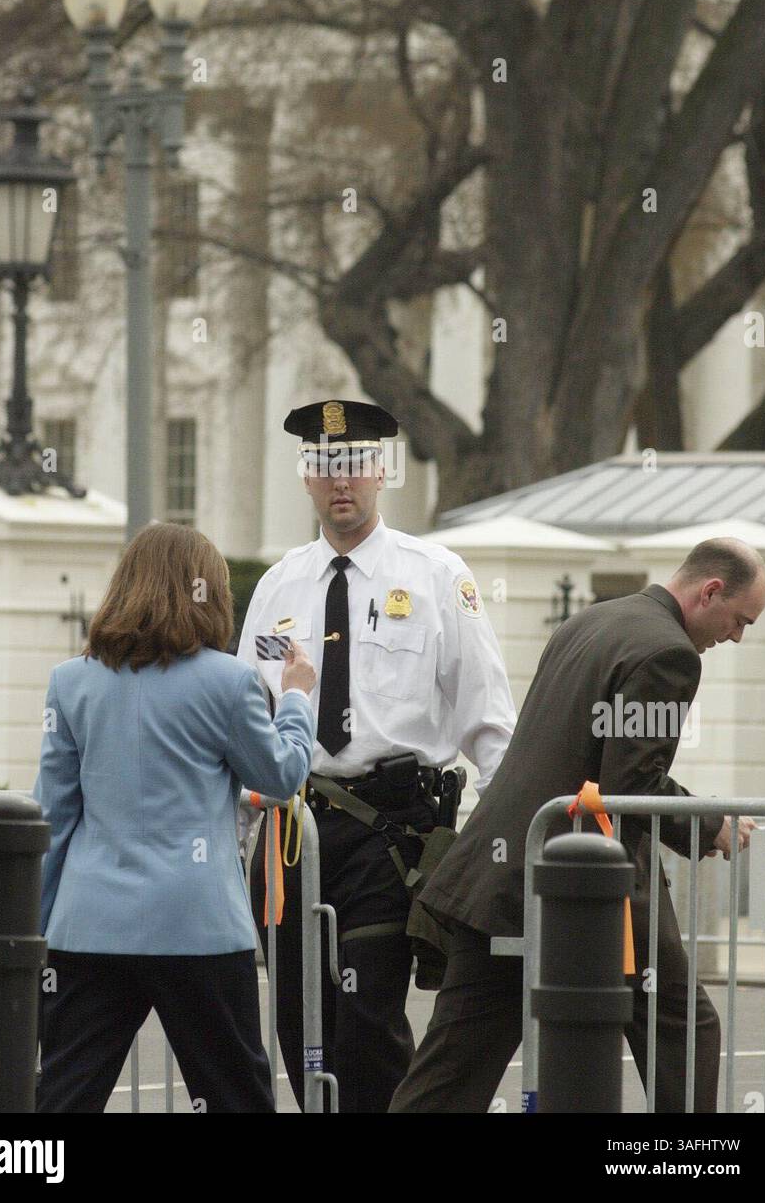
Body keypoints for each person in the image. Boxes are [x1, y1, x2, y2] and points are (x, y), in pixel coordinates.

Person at [389, 537, 765, 1114]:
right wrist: (707, 823)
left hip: (501, 879)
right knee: (682, 1028)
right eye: (739, 620)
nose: (737, 637)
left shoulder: (591, 621)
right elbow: (630, 787)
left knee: (448, 1073)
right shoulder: (669, 653)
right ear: (710, 591)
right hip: (579, 888)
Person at [237, 399, 516, 1113]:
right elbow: (247, 709)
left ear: (383, 471)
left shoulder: (433, 577)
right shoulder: (279, 588)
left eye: (356, 464)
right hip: (295, 827)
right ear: (305, 478)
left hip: (392, 831)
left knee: (366, 1019)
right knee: (300, 1019)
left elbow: (487, 718)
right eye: (326, 466)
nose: (342, 482)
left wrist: (502, 836)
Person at [34, 522, 316, 1114]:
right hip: (198, 923)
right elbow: (282, 774)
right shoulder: (230, 680)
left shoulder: (71, 682)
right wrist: (295, 697)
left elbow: (54, 820)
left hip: (89, 923)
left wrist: (38, 926)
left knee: (64, 1096)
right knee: (235, 1094)